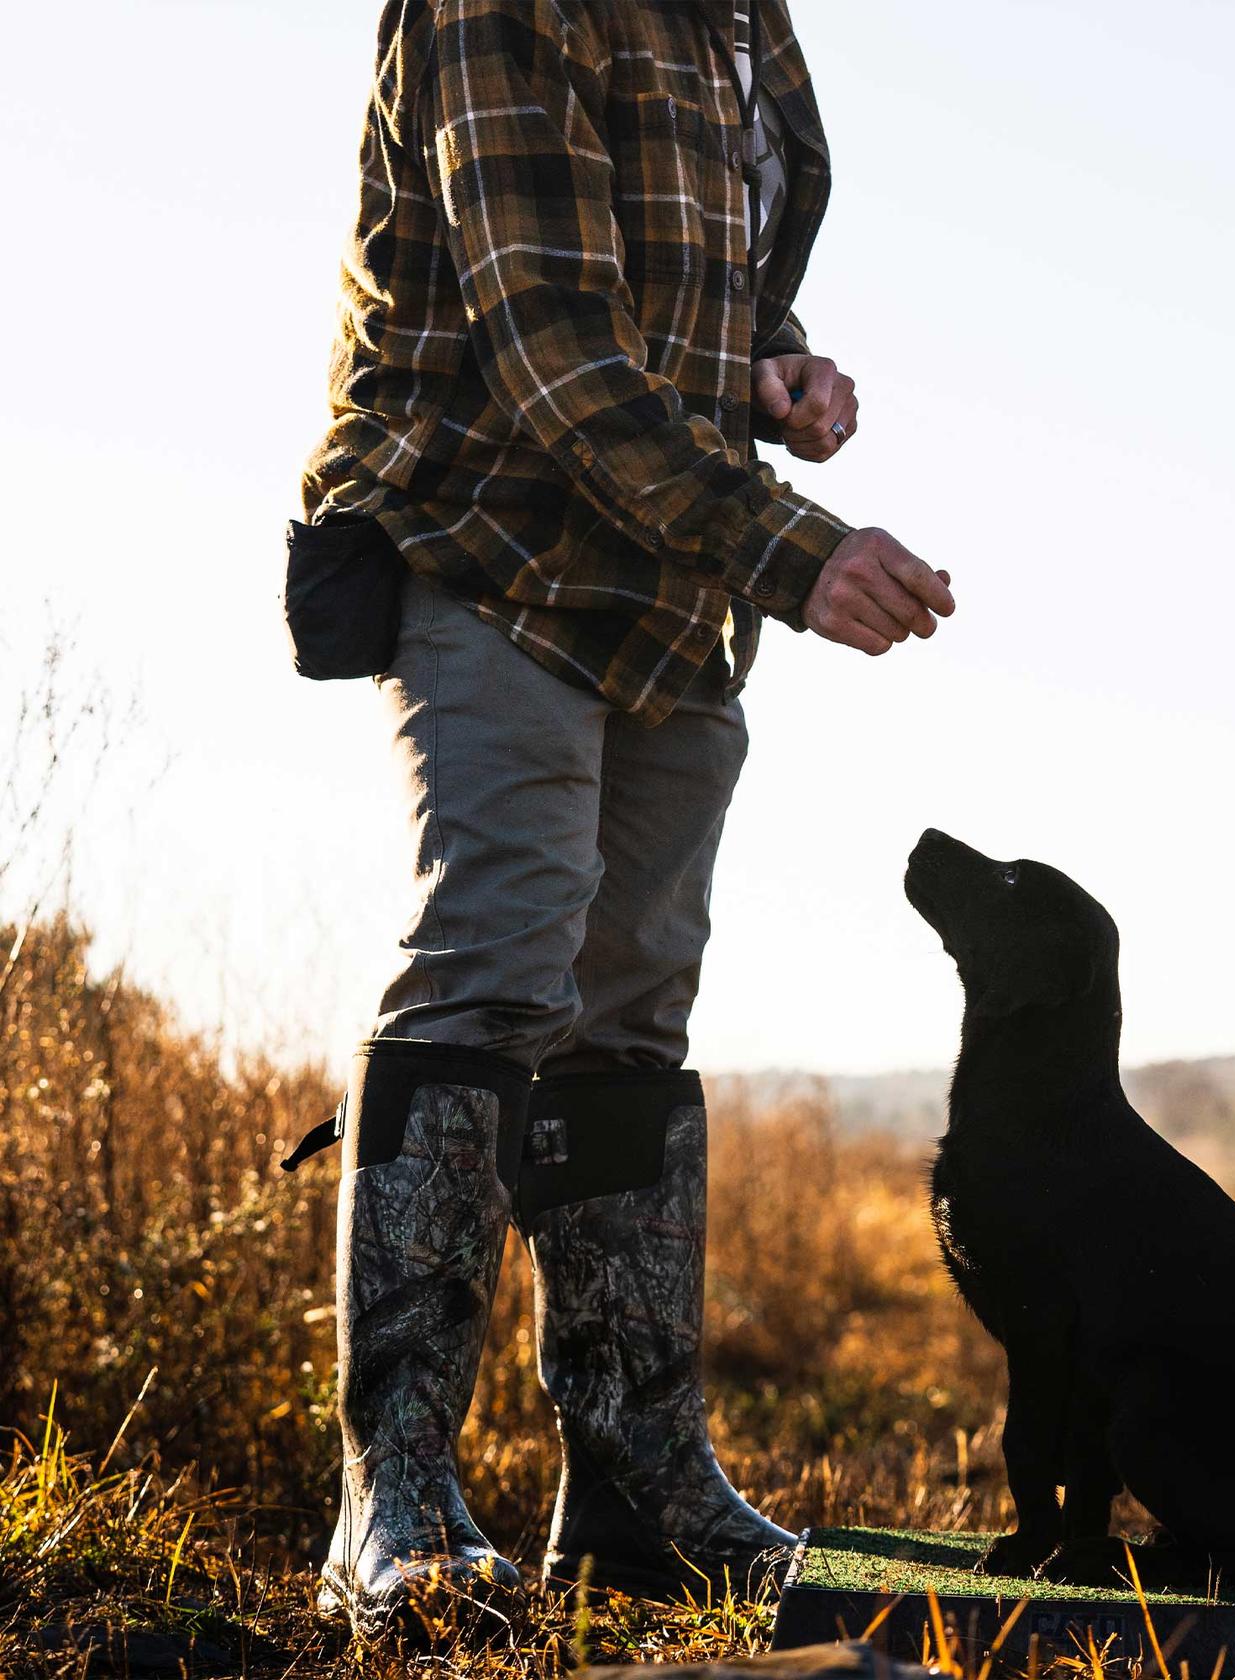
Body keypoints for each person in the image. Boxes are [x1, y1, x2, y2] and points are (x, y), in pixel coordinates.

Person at [292, 0, 955, 1638]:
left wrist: (766, 367)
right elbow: (552, 347)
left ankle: (641, 1490)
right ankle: (398, 1507)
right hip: (494, 553)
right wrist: (798, 548)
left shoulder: (746, 21)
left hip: (672, 595)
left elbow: (676, 294)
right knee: (496, 966)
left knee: (632, 1014)